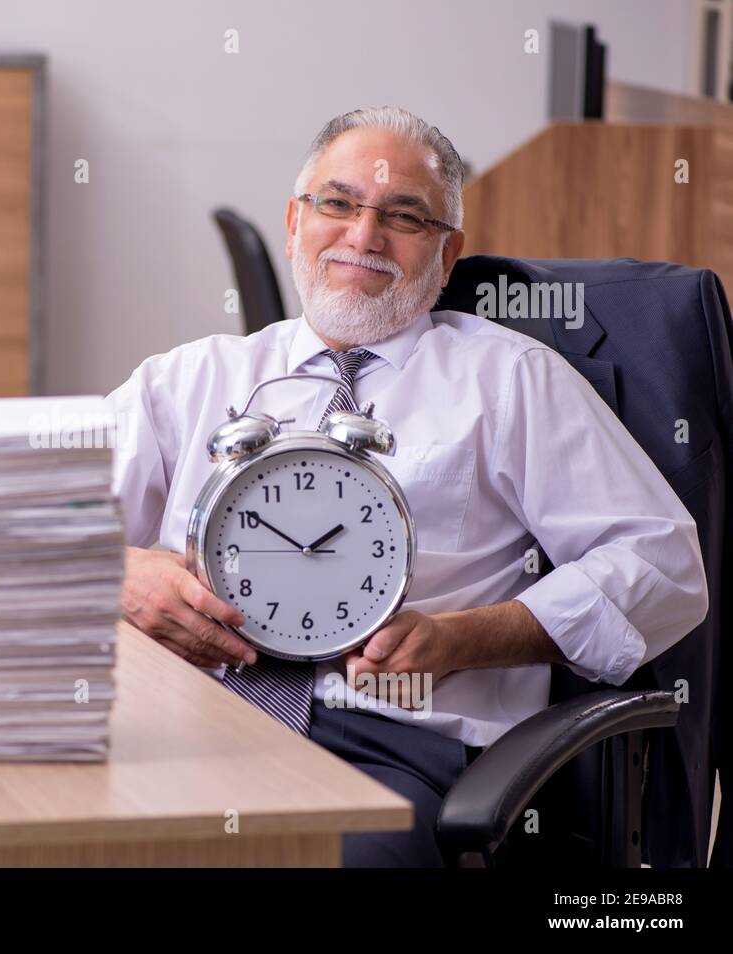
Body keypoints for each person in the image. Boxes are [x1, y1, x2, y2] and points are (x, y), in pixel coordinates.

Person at [107, 106, 709, 866]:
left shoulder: (510, 379)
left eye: (404, 216)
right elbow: (31, 524)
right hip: (188, 722)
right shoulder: (189, 378)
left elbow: (663, 564)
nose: (363, 236)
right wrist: (118, 574)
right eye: (337, 203)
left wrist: (469, 637)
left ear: (449, 251)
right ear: (295, 221)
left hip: (391, 745)